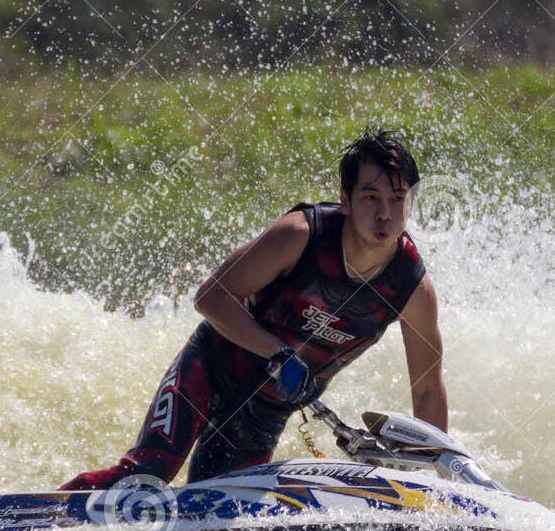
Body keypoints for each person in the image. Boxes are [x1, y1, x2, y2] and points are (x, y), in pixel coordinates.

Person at [60, 128, 448, 490]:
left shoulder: (412, 288)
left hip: (264, 412)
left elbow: (428, 389)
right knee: (146, 475)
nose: (385, 214)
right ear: (346, 200)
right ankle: (47, 517)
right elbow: (211, 296)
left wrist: (433, 486)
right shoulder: (301, 235)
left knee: (218, 515)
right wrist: (278, 352)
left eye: (397, 199)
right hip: (209, 370)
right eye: (370, 197)